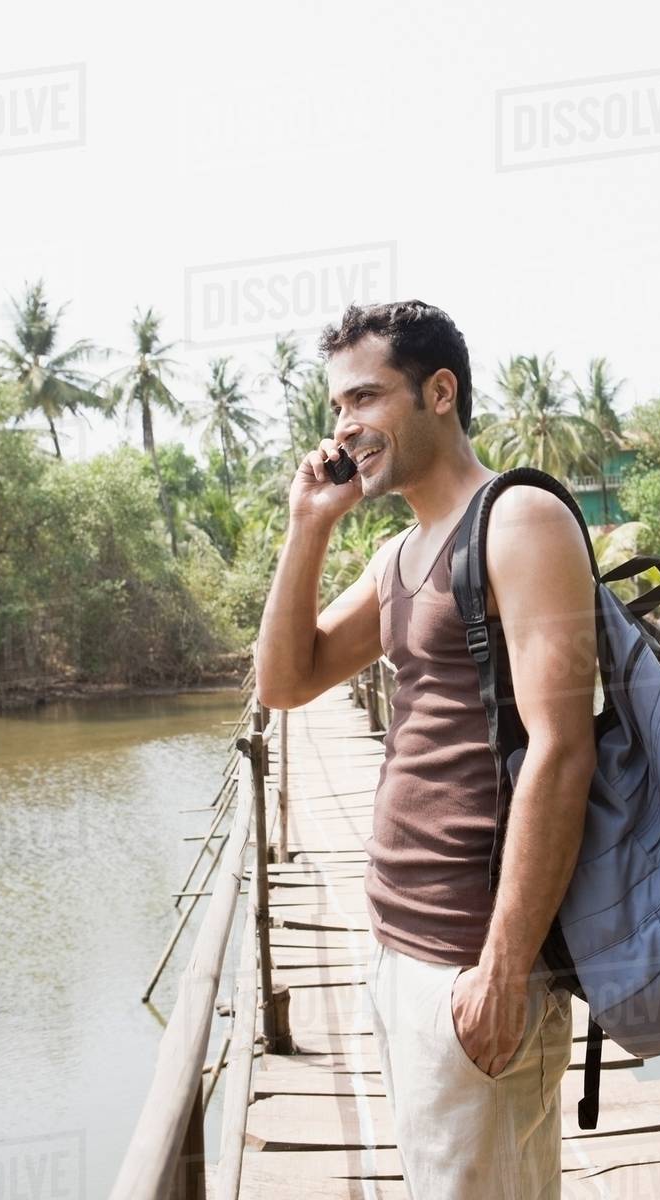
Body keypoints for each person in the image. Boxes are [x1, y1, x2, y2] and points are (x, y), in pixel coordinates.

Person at [255, 300, 598, 1199]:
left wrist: (504, 968)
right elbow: (285, 683)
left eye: (366, 397)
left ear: (438, 392)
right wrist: (309, 525)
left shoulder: (518, 521)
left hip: (473, 957)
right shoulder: (401, 555)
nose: (345, 426)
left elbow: (562, 750)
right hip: (397, 948)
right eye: (336, 406)